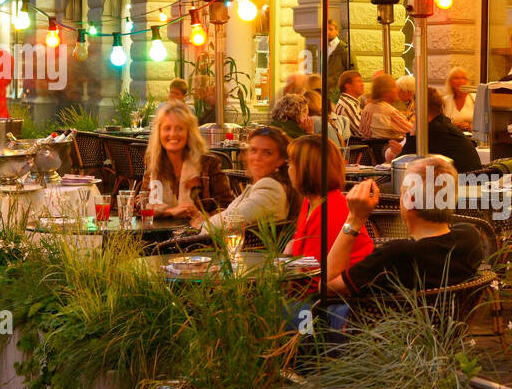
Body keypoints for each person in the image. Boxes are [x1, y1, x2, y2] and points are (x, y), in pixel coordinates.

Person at [326, 156, 483, 297]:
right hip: (450, 327)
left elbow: (327, 287)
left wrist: (354, 219)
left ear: (410, 201)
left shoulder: (395, 255)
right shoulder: (470, 238)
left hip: (382, 327)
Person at [285, 135, 374, 269]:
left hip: (340, 286)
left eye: (291, 164)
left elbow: (314, 269)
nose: (289, 169)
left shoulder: (329, 209)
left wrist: (281, 262)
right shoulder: (311, 201)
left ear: (305, 170)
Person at [139, 102, 234, 220]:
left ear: (189, 132)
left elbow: (230, 208)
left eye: (179, 128)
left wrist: (204, 217)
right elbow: (140, 205)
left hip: (197, 235)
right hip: (158, 235)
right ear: (159, 133)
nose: (173, 134)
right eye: (167, 128)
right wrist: (170, 211)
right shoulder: (154, 163)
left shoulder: (208, 164)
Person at [204, 127, 295, 230]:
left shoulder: (271, 189)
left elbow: (232, 220)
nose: (257, 157)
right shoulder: (259, 186)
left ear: (280, 160)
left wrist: (201, 225)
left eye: (267, 153)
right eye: (253, 150)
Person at [386, 87, 482, 173]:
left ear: (421, 109)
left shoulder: (432, 130)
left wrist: (412, 132)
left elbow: (403, 163)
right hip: (467, 179)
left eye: (415, 110)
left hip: (462, 185)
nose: (414, 114)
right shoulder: (442, 124)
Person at [359, 72, 412, 139]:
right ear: (386, 92)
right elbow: (414, 131)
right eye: (394, 87)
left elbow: (362, 131)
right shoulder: (390, 112)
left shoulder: (367, 108)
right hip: (389, 147)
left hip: (369, 148)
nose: (397, 90)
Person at [333, 69, 365, 138]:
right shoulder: (347, 104)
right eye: (358, 81)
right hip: (356, 146)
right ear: (348, 86)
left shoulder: (350, 102)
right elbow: (361, 131)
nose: (362, 84)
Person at [443, 66, 475, 132]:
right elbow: (442, 123)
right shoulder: (445, 100)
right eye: (456, 78)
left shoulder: (475, 98)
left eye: (463, 78)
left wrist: (470, 127)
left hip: (473, 138)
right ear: (450, 82)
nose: (460, 81)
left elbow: (483, 123)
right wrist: (453, 125)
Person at [325, 19, 354, 84]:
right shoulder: (323, 47)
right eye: (326, 30)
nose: (328, 32)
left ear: (337, 31)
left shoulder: (344, 49)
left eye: (331, 29)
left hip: (337, 90)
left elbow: (353, 72)